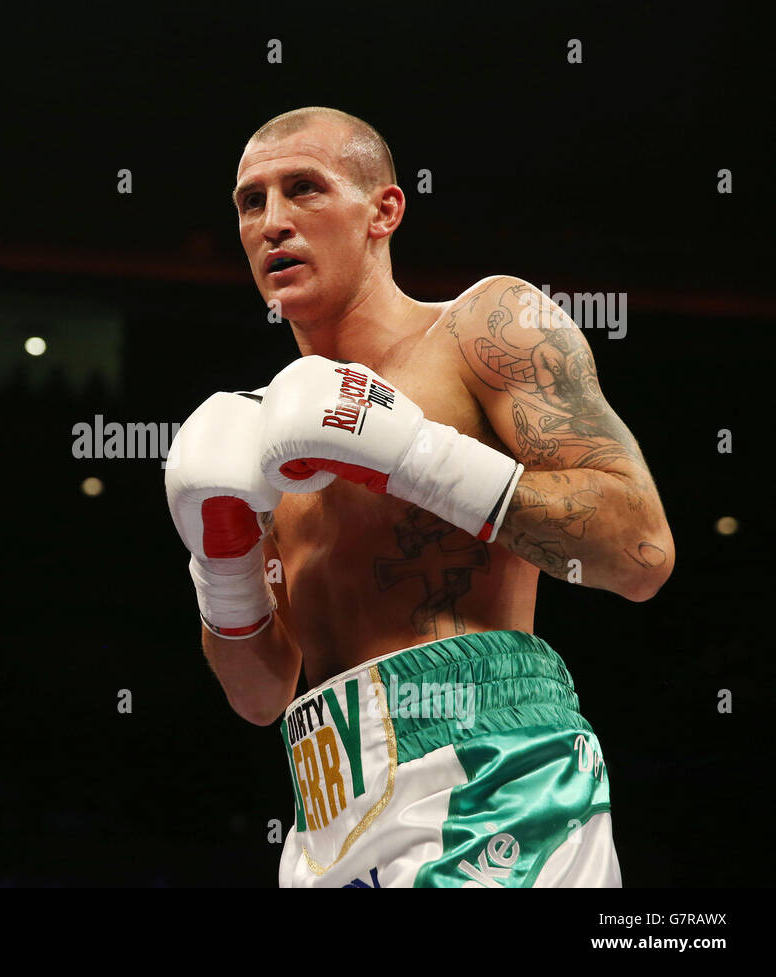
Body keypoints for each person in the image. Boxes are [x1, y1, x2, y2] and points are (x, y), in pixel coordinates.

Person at [164, 107, 674, 887]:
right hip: (325, 808)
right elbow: (260, 694)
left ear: (384, 210)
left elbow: (641, 553)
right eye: (250, 202)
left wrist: (415, 454)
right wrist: (220, 559)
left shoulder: (485, 325)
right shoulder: (259, 439)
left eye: (304, 189)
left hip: (492, 777)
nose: (274, 222)